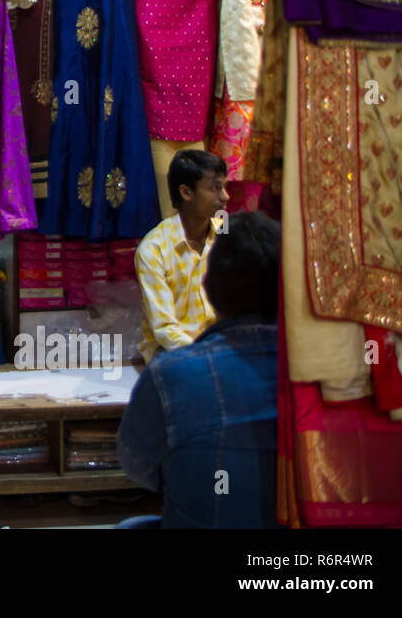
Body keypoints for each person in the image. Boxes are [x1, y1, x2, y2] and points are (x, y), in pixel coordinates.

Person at [116, 210, 281, 528]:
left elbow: (138, 464)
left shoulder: (170, 374)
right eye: (215, 187)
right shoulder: (321, 374)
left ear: (208, 286)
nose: (223, 197)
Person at [134, 149, 228, 363]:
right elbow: (165, 329)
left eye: (224, 187)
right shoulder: (153, 249)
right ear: (186, 192)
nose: (225, 197)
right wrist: (206, 355)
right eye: (215, 188)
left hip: (216, 346)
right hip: (172, 351)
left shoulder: (224, 229)